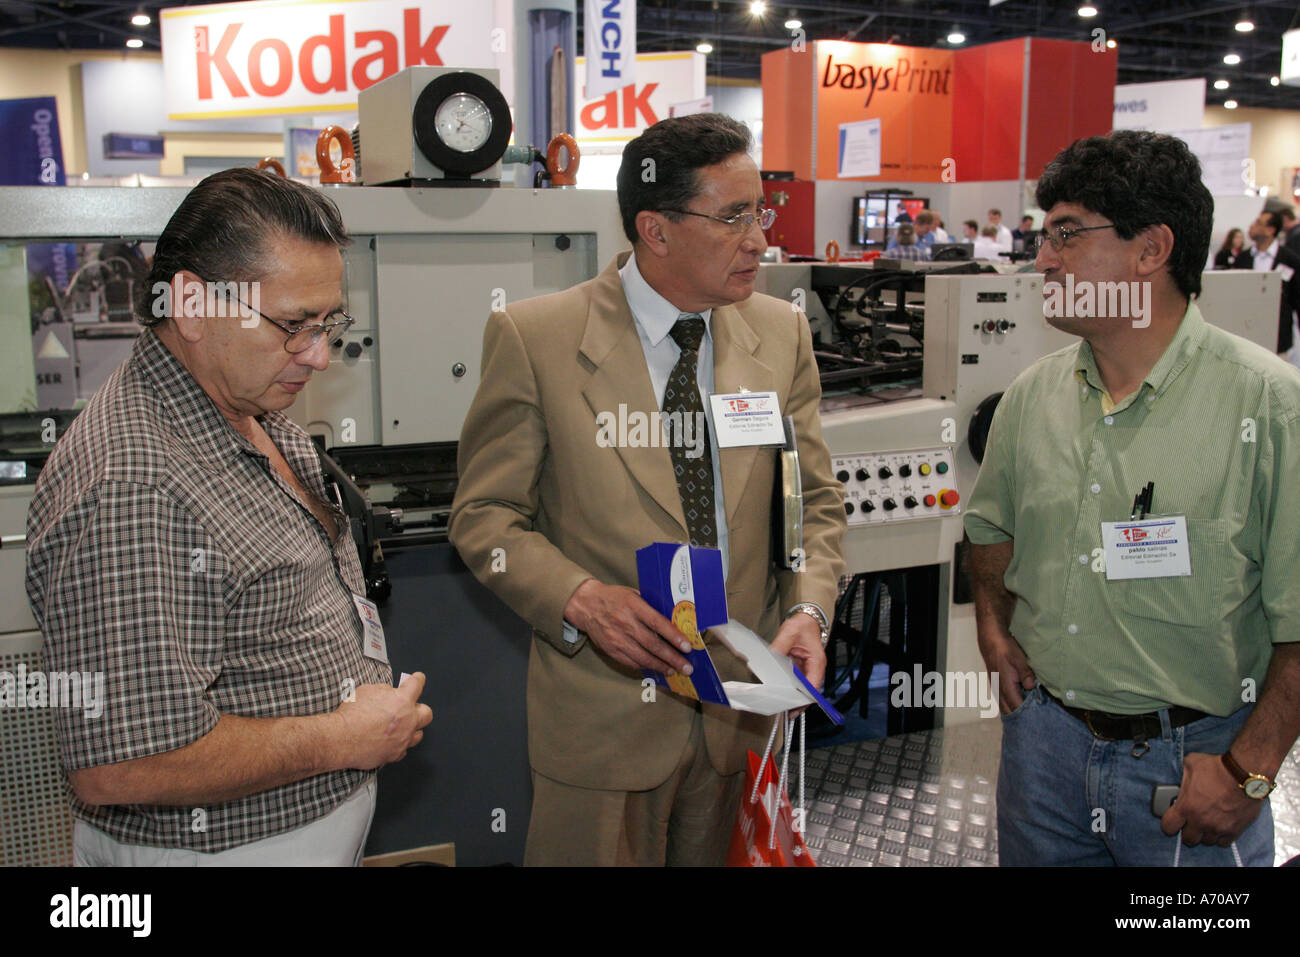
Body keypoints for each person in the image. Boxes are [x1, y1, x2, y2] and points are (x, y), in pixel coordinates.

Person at [449, 113, 846, 866]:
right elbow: (485, 517)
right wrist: (578, 598)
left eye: (759, 212)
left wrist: (807, 607)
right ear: (654, 230)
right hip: (604, 720)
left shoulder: (780, 335)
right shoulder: (536, 339)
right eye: (733, 217)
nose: (760, 239)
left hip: (739, 714)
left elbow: (813, 501)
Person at [25, 168, 433, 866]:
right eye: (292, 325)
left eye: (329, 323)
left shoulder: (243, 406)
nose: (318, 353)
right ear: (190, 304)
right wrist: (342, 737)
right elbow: (122, 762)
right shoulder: (135, 486)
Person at [965, 129, 1300, 866]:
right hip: (1044, 754)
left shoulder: (1270, 407)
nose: (1041, 258)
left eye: (1065, 234)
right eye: (1041, 233)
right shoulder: (1033, 396)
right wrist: (994, 627)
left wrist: (1250, 771)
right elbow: (987, 525)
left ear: (1151, 250)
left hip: (1194, 768)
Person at [1247, 209, 1300, 354]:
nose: (1252, 226)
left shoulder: (1290, 260)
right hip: (1247, 336)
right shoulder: (1244, 259)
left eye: (1258, 223)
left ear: (1270, 230)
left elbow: (1296, 299)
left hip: (1279, 341)